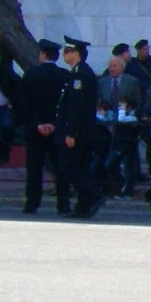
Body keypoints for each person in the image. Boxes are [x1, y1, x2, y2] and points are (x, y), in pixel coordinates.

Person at [17, 39, 69, 215]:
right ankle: (63, 204)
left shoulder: (31, 74)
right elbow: (66, 104)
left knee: (34, 168)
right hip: (57, 129)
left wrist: (37, 123)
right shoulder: (64, 75)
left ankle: (32, 203)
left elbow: (24, 103)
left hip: (35, 128)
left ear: (42, 55)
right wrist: (54, 124)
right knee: (60, 167)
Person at [55, 37, 104, 219]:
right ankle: (83, 206)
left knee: (69, 166)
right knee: (80, 166)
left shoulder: (80, 74)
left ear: (76, 54)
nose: (64, 54)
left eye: (68, 51)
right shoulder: (78, 72)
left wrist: (71, 132)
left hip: (78, 131)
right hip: (81, 129)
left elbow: (76, 106)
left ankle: (93, 194)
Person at [96, 54, 143, 197]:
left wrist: (133, 117)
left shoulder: (132, 81)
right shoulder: (103, 82)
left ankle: (128, 186)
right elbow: (99, 101)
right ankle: (112, 186)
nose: (112, 68)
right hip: (107, 125)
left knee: (128, 159)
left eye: (115, 66)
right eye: (110, 66)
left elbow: (138, 101)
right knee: (108, 159)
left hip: (126, 127)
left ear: (122, 67)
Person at [126, 38, 151, 177]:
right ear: (138, 50)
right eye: (144, 49)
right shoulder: (132, 65)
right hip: (138, 103)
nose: (146, 51)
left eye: (147, 49)